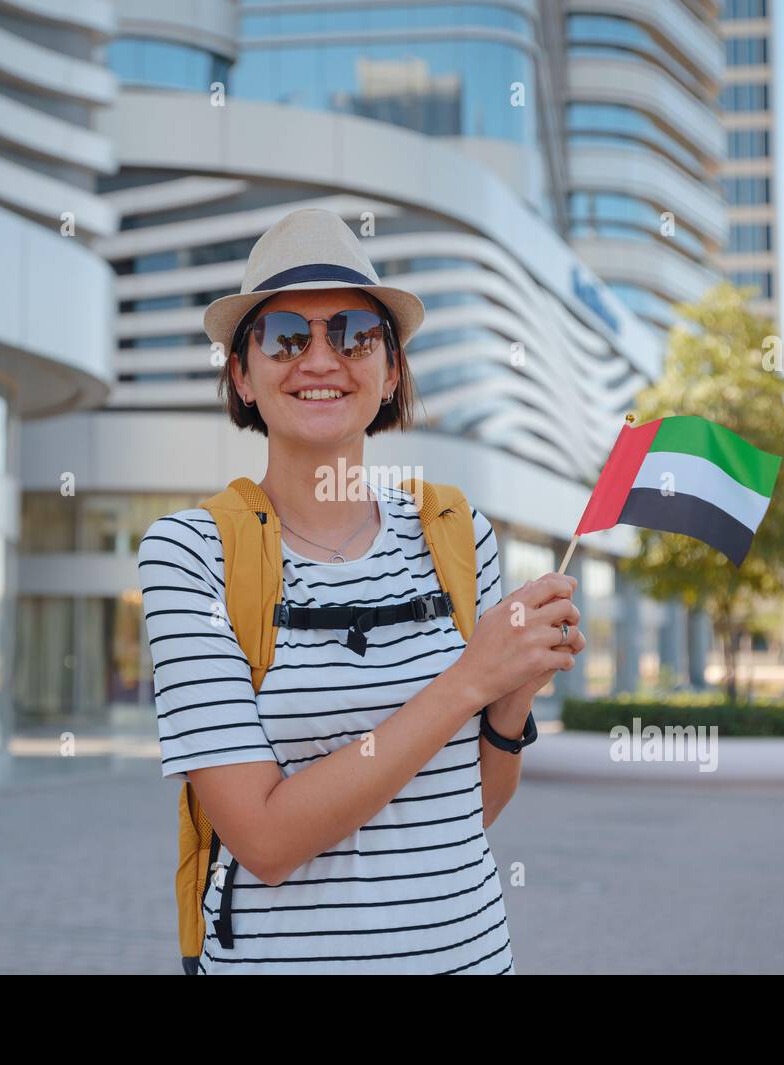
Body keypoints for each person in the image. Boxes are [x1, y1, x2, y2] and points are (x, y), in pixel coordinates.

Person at [138, 207, 585, 974]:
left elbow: (464, 809)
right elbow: (267, 841)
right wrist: (471, 677)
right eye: (285, 336)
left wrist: (512, 697)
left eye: (353, 334)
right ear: (242, 373)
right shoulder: (191, 554)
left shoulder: (455, 529)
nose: (321, 359)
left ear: (391, 372)